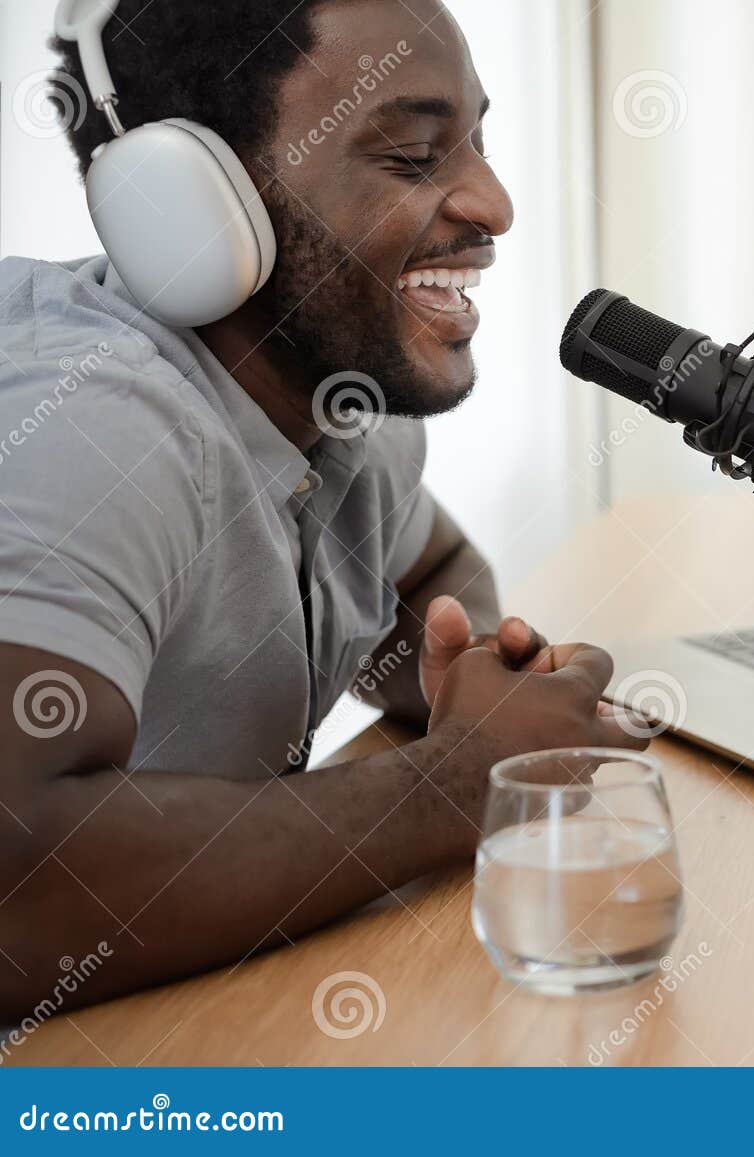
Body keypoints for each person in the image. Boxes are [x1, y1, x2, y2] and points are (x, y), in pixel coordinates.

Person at [0, 0, 644, 1023]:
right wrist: (456, 780)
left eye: (477, 142)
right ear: (191, 200)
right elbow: (15, 883)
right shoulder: (87, 427)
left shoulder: (345, 404)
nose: (492, 201)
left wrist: (466, 675)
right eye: (413, 154)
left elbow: (431, 577)